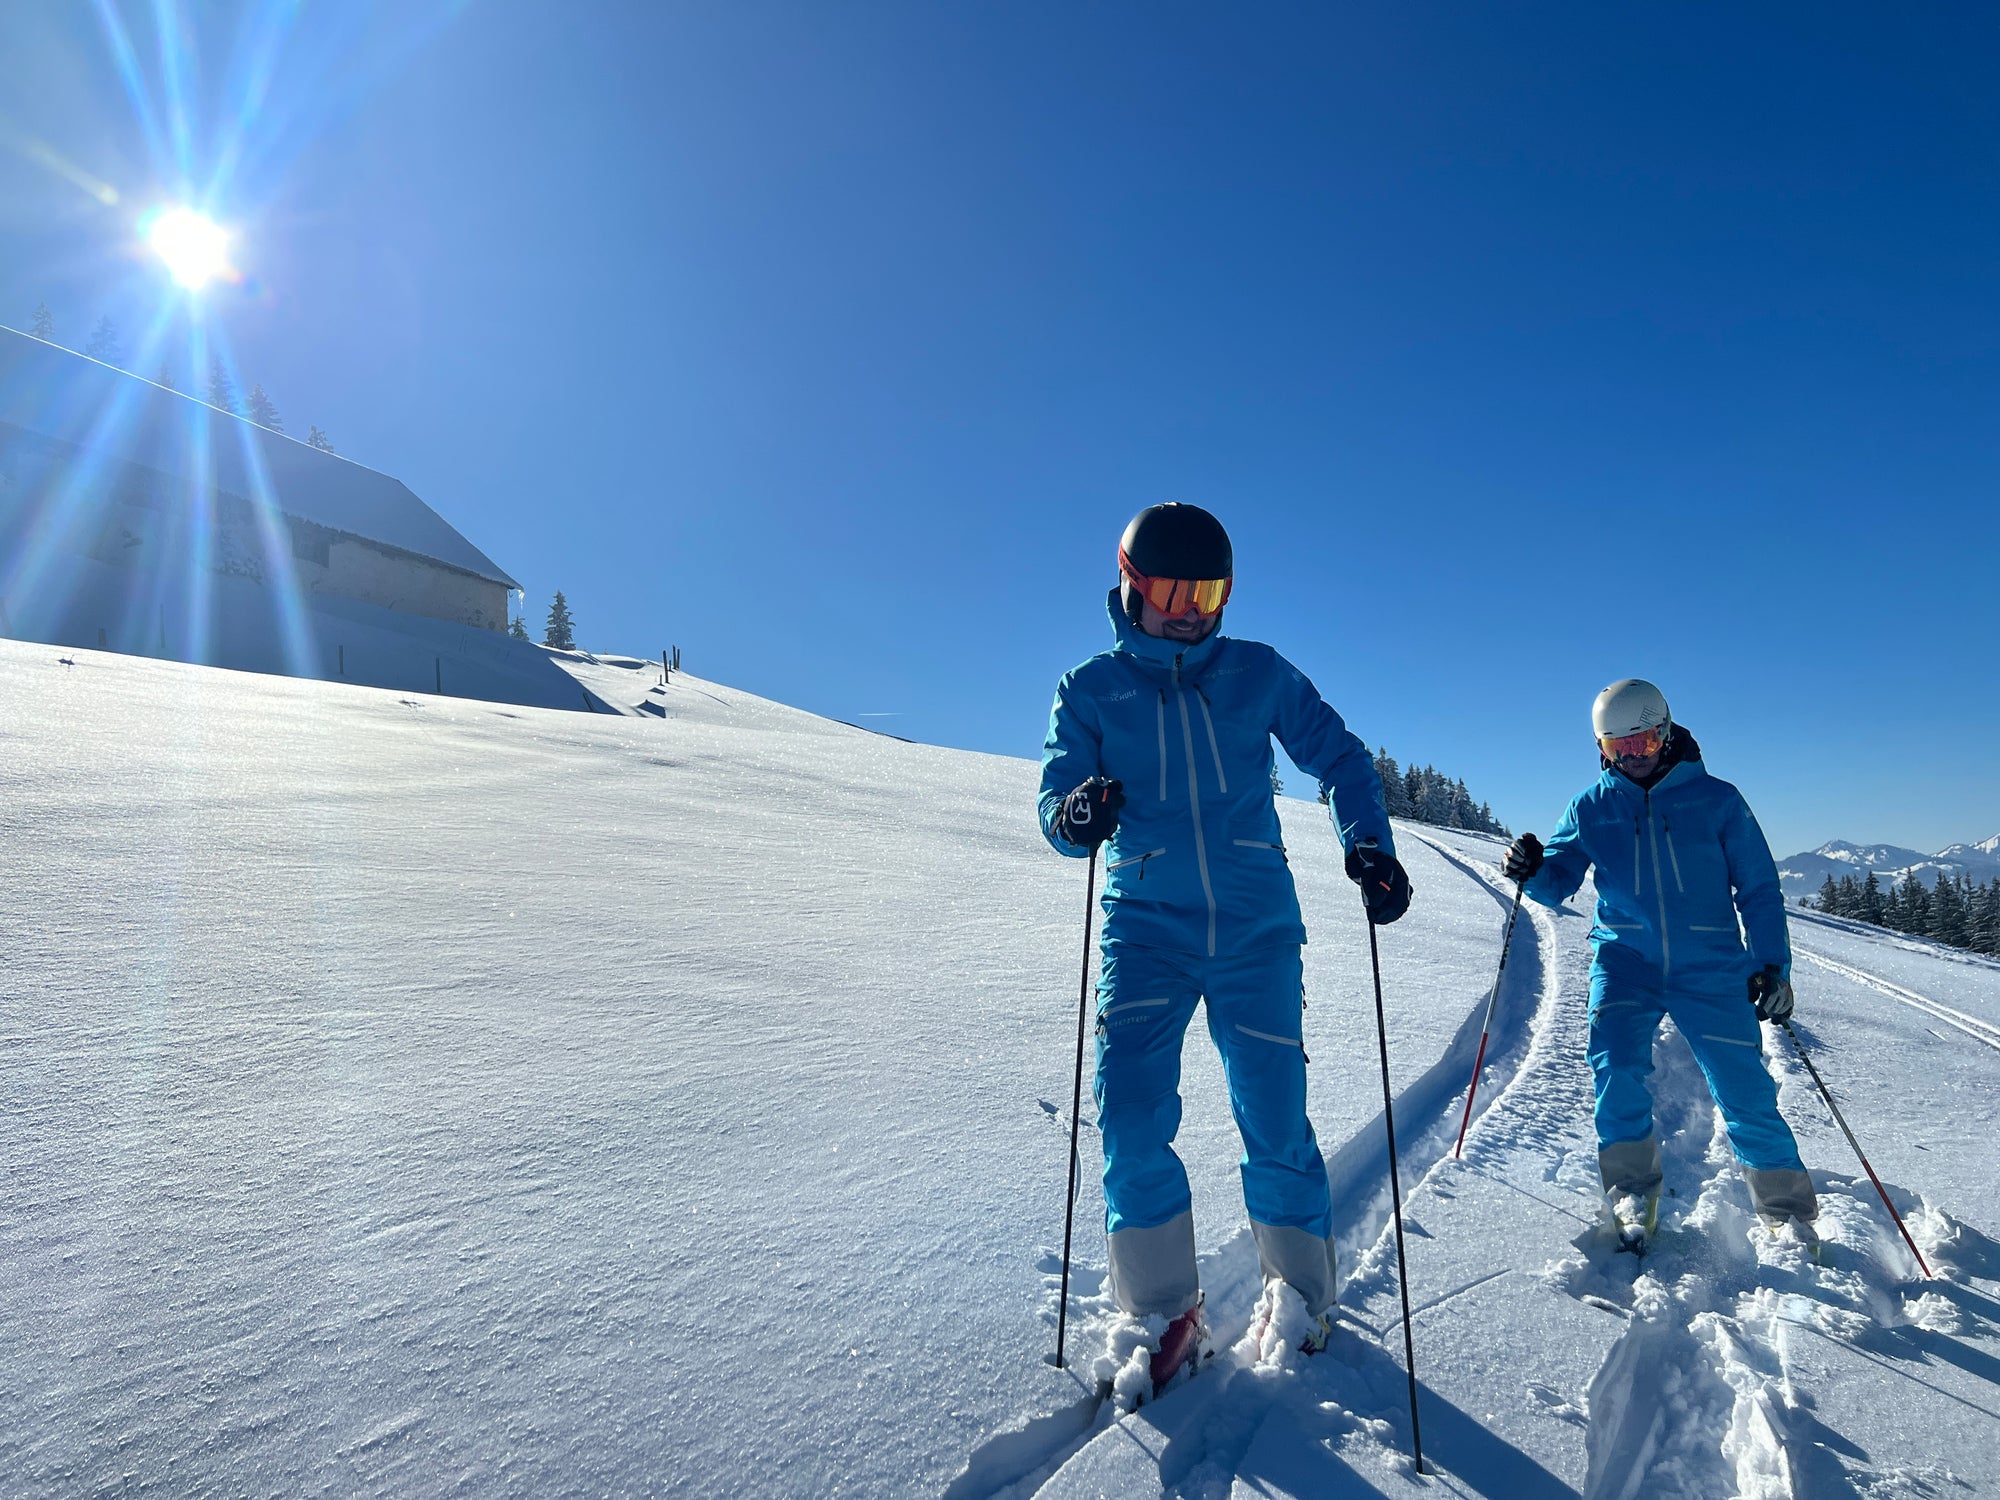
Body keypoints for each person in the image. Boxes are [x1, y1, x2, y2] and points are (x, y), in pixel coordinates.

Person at [1039, 503, 1409, 1392]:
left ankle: (1300, 1295)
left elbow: (1341, 758)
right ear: (1130, 583)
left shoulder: (1256, 674)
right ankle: (1163, 1308)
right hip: (1145, 928)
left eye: (1208, 591)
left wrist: (1369, 844)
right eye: (1170, 590)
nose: (1190, 610)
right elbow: (1056, 804)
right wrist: (1075, 813)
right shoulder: (1091, 689)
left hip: (1254, 929)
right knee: (1129, 1118)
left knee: (1275, 1120)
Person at [1502, 679, 1815, 1246]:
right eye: (1617, 749)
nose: (1632, 759)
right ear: (1601, 748)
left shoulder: (1718, 800)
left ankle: (1786, 1210)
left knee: (1743, 1088)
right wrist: (1531, 870)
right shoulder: (1591, 806)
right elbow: (1558, 881)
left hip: (1713, 965)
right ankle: (1630, 1188)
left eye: (1642, 744)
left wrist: (1772, 965)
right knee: (1616, 1067)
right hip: (1625, 960)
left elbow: (1760, 889)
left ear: (1666, 734)